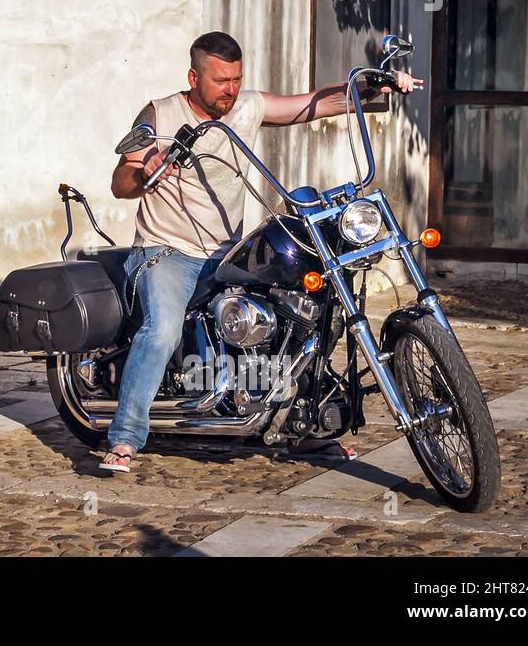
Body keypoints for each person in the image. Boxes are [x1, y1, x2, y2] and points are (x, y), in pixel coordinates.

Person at [99, 31, 421, 472]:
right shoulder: (161, 115)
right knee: (162, 331)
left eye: (236, 79)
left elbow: (313, 104)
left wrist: (374, 85)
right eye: (219, 81)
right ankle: (125, 437)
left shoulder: (246, 106)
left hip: (227, 252)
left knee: (302, 313)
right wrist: (147, 169)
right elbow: (120, 184)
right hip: (167, 251)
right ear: (194, 77)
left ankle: (304, 428)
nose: (229, 90)